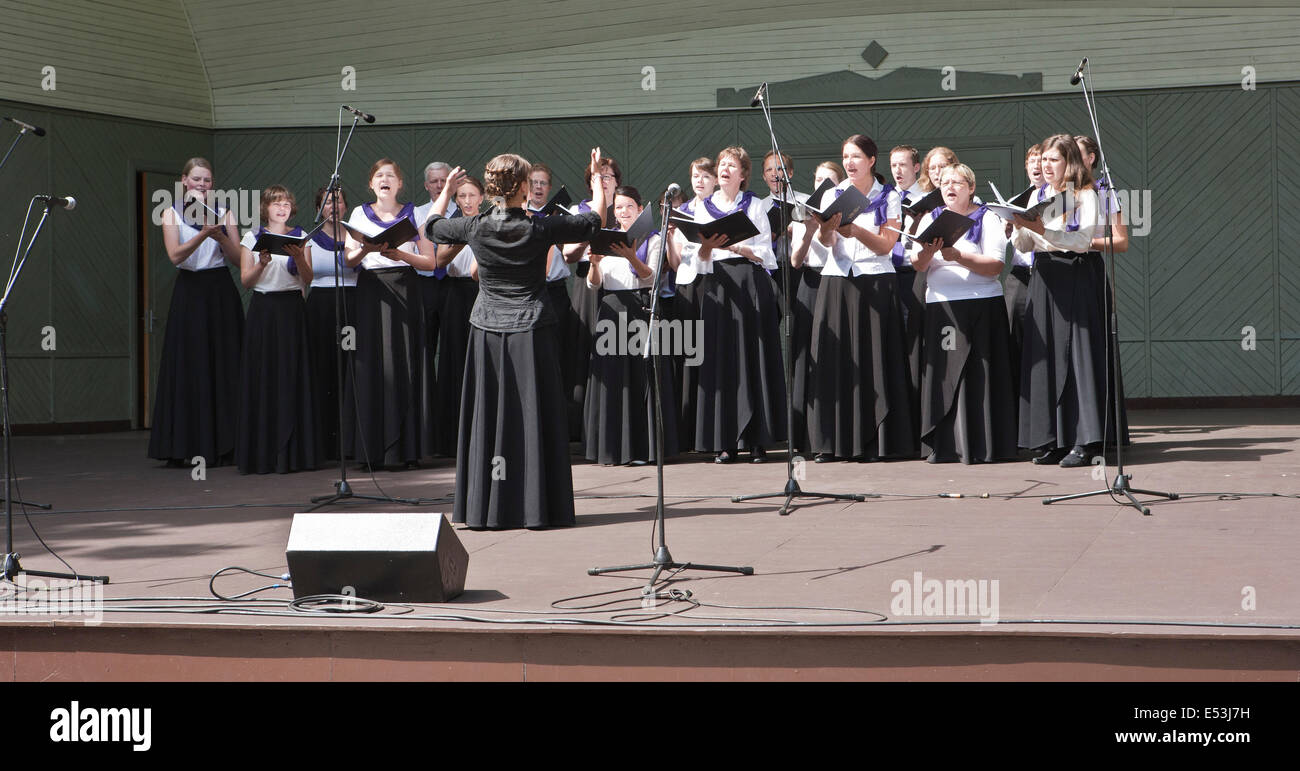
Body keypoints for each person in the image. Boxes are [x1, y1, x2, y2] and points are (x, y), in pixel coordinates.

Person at [425, 149, 607, 529]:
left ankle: (486, 507)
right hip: (530, 329)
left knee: (490, 414)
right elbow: (593, 222)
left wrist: (447, 192)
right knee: (532, 415)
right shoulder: (539, 227)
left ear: (491, 188)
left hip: (488, 331)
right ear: (524, 187)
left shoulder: (475, 225)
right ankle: (536, 506)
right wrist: (596, 181)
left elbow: (431, 227)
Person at [1012, 134, 1128, 467]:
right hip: (1045, 277)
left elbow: (1080, 241)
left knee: (1078, 356)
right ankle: (1050, 438)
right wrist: (1019, 227)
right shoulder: (1039, 195)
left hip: (1076, 273)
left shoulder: (1086, 195)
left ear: (1070, 163)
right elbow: (1023, 246)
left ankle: (1084, 440)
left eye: (1053, 160)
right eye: (1043, 160)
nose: (1045, 166)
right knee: (1046, 355)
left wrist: (1042, 231)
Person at [807, 134, 915, 462]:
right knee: (836, 361)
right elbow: (827, 241)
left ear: (871, 160)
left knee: (875, 361)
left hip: (877, 283)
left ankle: (877, 441)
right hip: (837, 281)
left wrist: (856, 231)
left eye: (856, 156)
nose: (850, 163)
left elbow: (886, 245)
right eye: (845, 157)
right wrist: (825, 227)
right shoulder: (833, 193)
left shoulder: (890, 197)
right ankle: (833, 441)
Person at [685, 146, 786, 463]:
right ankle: (724, 440)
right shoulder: (703, 208)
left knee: (753, 359)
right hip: (718, 286)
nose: (725, 168)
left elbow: (767, 257)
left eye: (731, 165)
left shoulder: (754, 206)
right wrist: (707, 249)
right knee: (721, 361)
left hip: (750, 285)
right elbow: (697, 260)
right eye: (721, 164)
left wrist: (741, 249)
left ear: (742, 174)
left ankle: (757, 440)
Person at [911, 165, 1017, 463]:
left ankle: (986, 445)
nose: (949, 187)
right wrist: (928, 253)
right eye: (944, 182)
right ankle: (945, 445)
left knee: (981, 374)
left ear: (970, 187)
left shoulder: (988, 217)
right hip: (942, 307)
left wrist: (958, 256)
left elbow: (995, 265)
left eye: (956, 182)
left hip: (982, 304)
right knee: (946, 375)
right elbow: (917, 264)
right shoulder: (930, 219)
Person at [148, 157, 244, 467]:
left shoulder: (225, 212)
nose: (202, 185)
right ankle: (187, 444)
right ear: (185, 181)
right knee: (191, 364)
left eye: (207, 180)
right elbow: (175, 256)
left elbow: (238, 259)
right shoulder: (171, 212)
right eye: (197, 179)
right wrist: (203, 234)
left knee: (223, 364)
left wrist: (220, 236)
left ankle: (227, 444)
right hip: (190, 292)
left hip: (219, 291)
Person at [343, 158, 439, 469]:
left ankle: (405, 448)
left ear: (400, 184)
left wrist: (399, 254)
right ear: (371, 184)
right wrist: (367, 250)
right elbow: (349, 260)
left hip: (405, 289)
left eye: (391, 176)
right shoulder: (359, 213)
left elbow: (430, 262)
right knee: (371, 365)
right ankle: (371, 448)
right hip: (372, 292)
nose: (385, 179)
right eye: (379, 176)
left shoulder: (414, 215)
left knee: (404, 362)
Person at [583, 186, 678, 465]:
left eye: (628, 207)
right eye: (618, 207)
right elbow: (594, 284)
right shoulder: (606, 238)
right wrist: (595, 263)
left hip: (641, 309)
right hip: (611, 309)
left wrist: (631, 256)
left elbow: (652, 277)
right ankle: (614, 448)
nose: (623, 212)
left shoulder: (653, 238)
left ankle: (643, 449)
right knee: (614, 379)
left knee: (640, 377)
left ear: (640, 209)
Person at [235, 186, 320, 473]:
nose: (281, 208)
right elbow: (246, 281)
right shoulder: (252, 238)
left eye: (286, 203)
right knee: (265, 376)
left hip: (292, 310)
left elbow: (307, 277)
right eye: (276, 204)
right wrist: (261, 263)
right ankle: (264, 452)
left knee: (292, 375)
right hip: (264, 311)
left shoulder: (300, 236)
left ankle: (295, 452)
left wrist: (297, 258)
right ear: (266, 209)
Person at [561, 155, 622, 447]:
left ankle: (616, 422)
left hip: (619, 285)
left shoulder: (625, 209)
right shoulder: (579, 211)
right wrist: (589, 236)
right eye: (598, 177)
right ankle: (582, 428)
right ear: (590, 184)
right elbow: (569, 255)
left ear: (617, 181)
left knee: (616, 349)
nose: (604, 181)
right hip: (586, 282)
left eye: (608, 176)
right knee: (585, 350)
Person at [786, 161, 842, 452]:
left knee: (835, 354)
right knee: (807, 357)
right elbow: (796, 261)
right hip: (810, 283)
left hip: (837, 283)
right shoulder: (802, 212)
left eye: (829, 180)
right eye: (818, 179)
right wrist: (808, 231)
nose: (822, 184)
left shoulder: (845, 211)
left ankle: (837, 433)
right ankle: (807, 436)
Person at [526, 162, 583, 441]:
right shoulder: (517, 216)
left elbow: (570, 252)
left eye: (543, 183)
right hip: (529, 291)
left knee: (559, 357)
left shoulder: (561, 216)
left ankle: (560, 427)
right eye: (533, 183)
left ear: (550, 188)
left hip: (556, 291)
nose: (538, 188)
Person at [665, 157, 717, 450]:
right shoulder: (683, 211)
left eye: (705, 176)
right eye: (696, 176)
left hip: (712, 283)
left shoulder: (720, 207)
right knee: (689, 357)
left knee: (711, 355)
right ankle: (689, 430)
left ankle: (711, 426)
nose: (699, 181)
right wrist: (672, 236)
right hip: (686, 286)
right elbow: (674, 263)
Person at [305, 185, 358, 460]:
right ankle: (325, 442)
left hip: (353, 305)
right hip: (321, 308)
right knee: (324, 370)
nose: (333, 206)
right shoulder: (309, 239)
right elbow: (303, 279)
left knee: (351, 369)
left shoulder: (356, 235)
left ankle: (352, 441)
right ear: (319, 209)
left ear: (345, 206)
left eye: (338, 201)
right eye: (327, 202)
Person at [432, 175, 483, 456]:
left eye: (471, 195)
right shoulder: (452, 224)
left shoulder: (488, 223)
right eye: (461, 196)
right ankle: (453, 438)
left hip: (481, 292)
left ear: (481, 197)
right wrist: (463, 239)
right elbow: (439, 260)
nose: (466, 201)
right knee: (455, 360)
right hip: (454, 293)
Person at [890, 144, 928, 441]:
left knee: (915, 347)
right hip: (887, 276)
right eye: (893, 165)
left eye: (903, 165)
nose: (898, 171)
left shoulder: (927, 200)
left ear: (916, 168)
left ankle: (917, 424)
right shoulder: (887, 199)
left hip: (915, 274)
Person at [1005, 143, 1043, 385]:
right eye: (1032, 162)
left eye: (1041, 161)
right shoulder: (1016, 200)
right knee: (1014, 333)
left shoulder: (1058, 198)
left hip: (1046, 270)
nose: (1037, 166)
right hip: (1020, 274)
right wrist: (1006, 228)